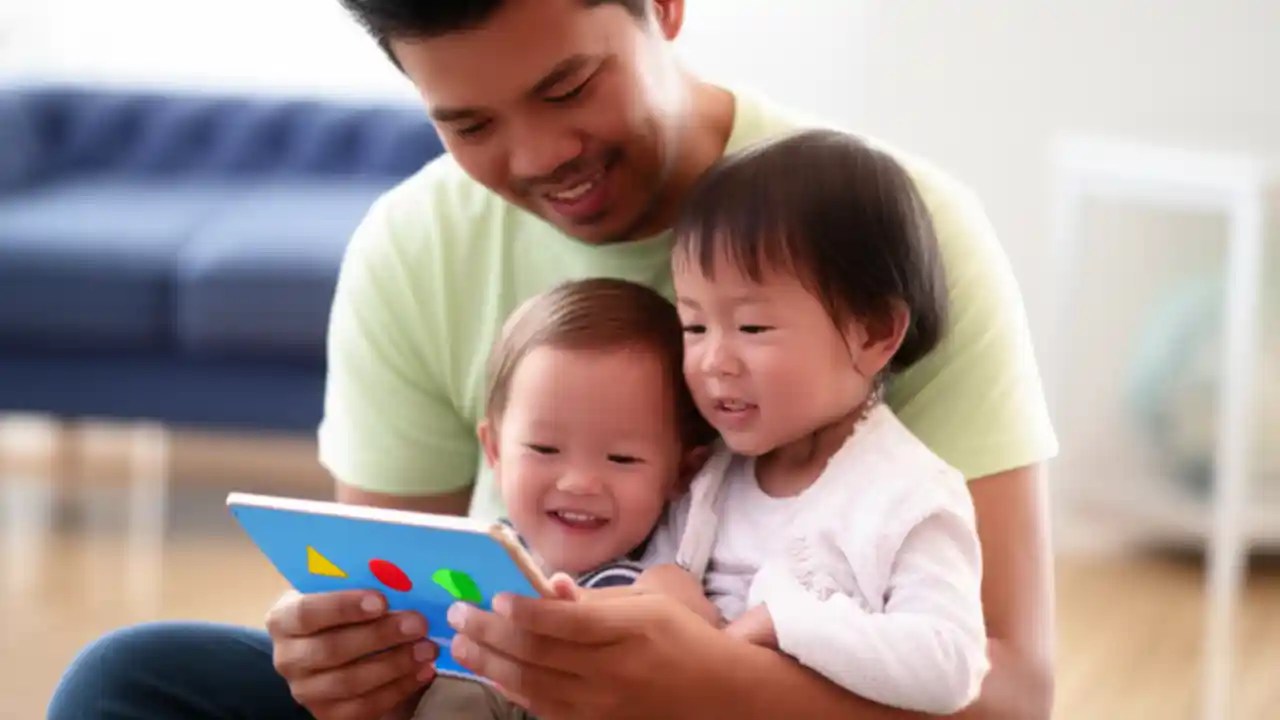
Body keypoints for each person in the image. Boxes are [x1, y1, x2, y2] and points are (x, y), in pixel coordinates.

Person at [48, 1, 1059, 719]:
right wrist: (351, 664)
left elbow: (1007, 689)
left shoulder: (878, 233)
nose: (535, 158)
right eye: (469, 125)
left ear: (663, 7)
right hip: (505, 695)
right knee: (133, 681)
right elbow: (402, 607)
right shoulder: (410, 248)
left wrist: (713, 692)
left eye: (567, 86)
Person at [634, 128, 988, 715]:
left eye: (752, 328)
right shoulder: (711, 474)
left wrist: (784, 623)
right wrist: (655, 591)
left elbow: (951, 662)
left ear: (872, 332)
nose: (714, 360)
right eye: (694, 327)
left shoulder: (909, 495)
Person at [414, 277, 714, 720]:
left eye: (622, 458)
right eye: (544, 450)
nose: (579, 483)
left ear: (682, 472)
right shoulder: (470, 559)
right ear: (495, 450)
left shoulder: (647, 599)